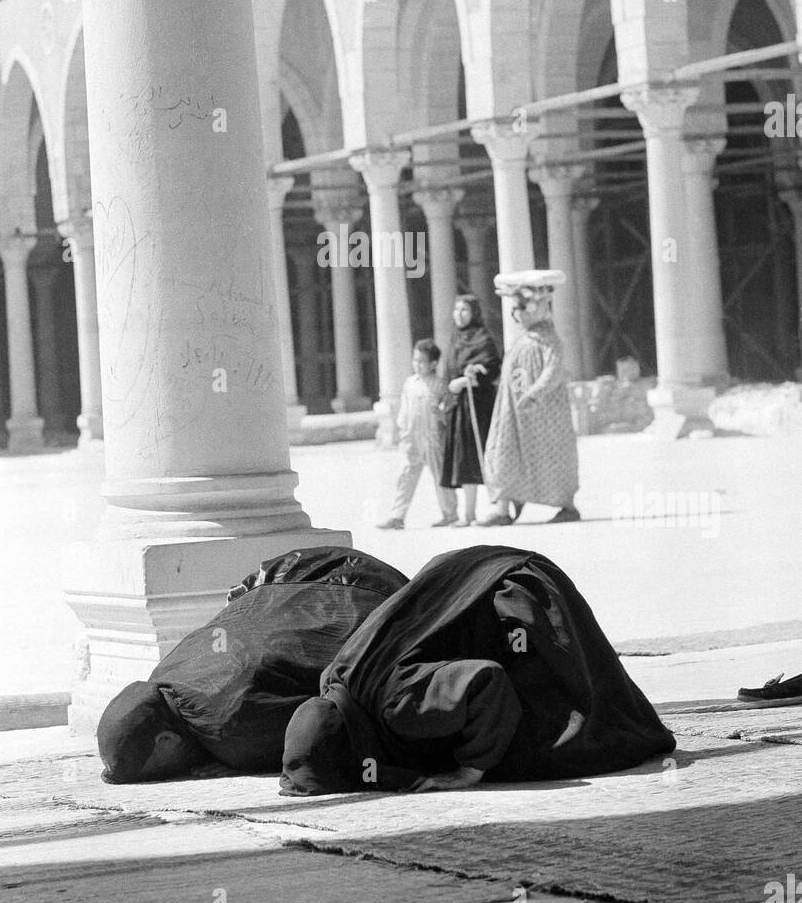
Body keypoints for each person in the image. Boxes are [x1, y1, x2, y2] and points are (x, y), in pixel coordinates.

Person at [279, 544, 675, 796]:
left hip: (512, 584)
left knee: (570, 718)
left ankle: (634, 728)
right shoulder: (333, 682)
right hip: (465, 573)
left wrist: (470, 770)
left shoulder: (397, 705)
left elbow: (487, 679)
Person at [96, 547, 408, 783]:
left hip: (385, 606)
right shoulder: (164, 675)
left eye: (150, 768)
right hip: (306, 566)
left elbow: (324, 728)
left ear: (166, 740)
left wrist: (249, 759)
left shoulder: (232, 732)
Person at [481, 270, 580, 526]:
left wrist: (535, 393)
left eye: (523, 308)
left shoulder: (550, 340)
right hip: (513, 412)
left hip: (544, 413)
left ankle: (567, 505)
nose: (518, 314)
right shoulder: (522, 340)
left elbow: (554, 370)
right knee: (504, 452)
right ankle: (503, 506)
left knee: (552, 456)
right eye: (516, 309)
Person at [377, 339, 458, 529]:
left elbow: (448, 408)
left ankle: (450, 513)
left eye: (422, 361)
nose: (418, 365)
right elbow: (404, 410)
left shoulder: (439, 385)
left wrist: (442, 414)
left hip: (433, 437)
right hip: (412, 437)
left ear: (433, 364)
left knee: (440, 477)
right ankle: (397, 516)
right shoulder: (409, 383)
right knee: (406, 476)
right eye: (415, 360)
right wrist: (402, 430)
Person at [440, 294, 501, 526]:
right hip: (460, 408)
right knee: (464, 457)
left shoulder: (484, 338)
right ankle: (468, 514)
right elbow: (449, 373)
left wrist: (473, 378)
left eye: (464, 310)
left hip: (480, 405)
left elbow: (493, 368)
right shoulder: (454, 340)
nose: (459, 314)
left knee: (485, 453)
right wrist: (452, 386)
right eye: (456, 310)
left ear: (474, 313)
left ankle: (497, 509)